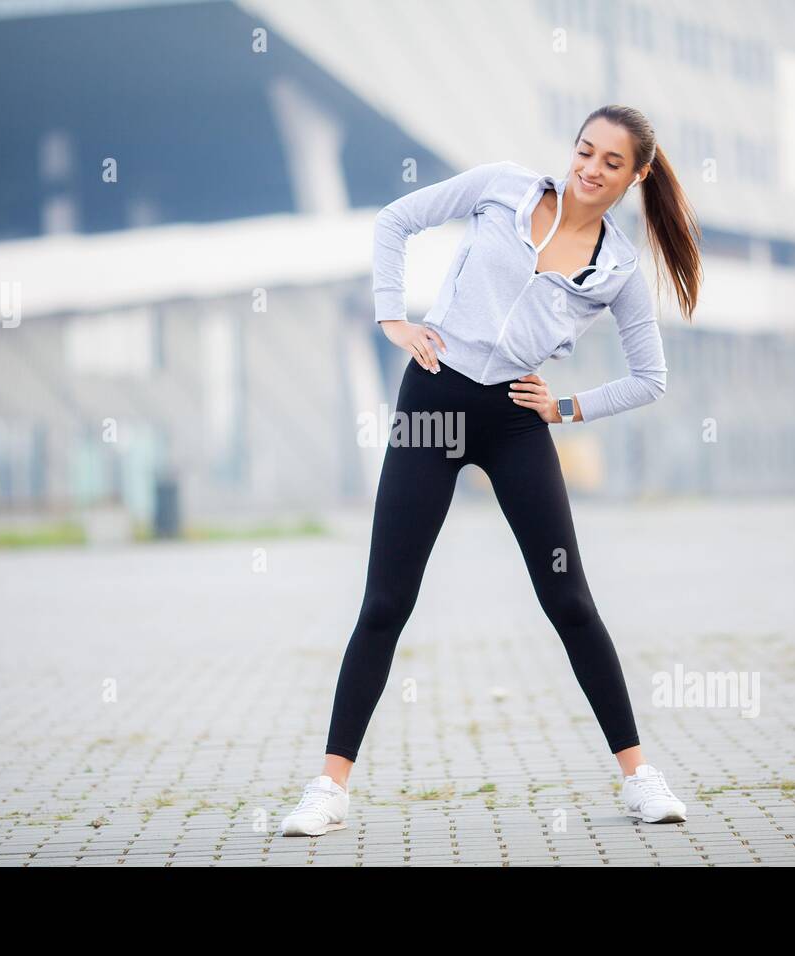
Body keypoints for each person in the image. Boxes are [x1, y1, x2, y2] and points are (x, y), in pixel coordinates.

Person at [282, 105, 703, 836]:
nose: (591, 168)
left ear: (635, 177)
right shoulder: (502, 188)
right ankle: (328, 788)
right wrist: (392, 317)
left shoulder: (620, 270)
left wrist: (565, 408)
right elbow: (394, 221)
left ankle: (640, 777)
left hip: (514, 418)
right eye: (585, 150)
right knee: (386, 600)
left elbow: (650, 377)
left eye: (611, 162)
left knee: (569, 601)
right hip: (434, 398)